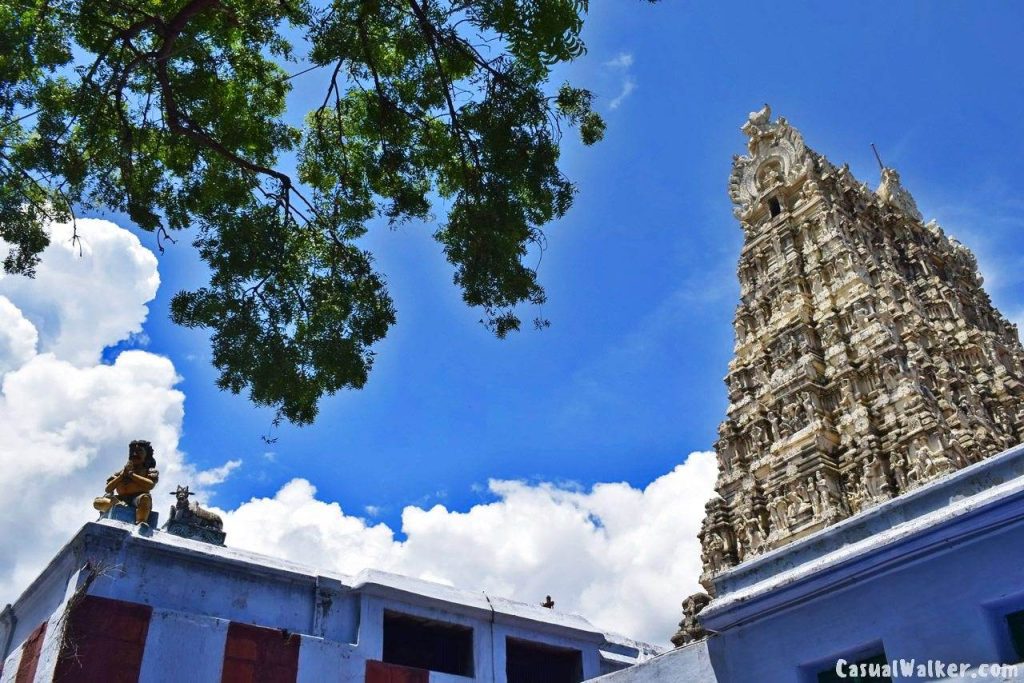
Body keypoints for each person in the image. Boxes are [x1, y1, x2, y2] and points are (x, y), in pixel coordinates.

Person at [93, 440, 160, 525]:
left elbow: (150, 485)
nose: (135, 454)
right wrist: (121, 476)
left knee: (145, 498)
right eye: (133, 452)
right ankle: (120, 505)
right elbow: (108, 489)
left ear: (147, 455)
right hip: (119, 499)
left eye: (139, 451)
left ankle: (141, 522)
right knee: (98, 502)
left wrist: (131, 475)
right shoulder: (120, 473)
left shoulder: (149, 471)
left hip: (138, 500)